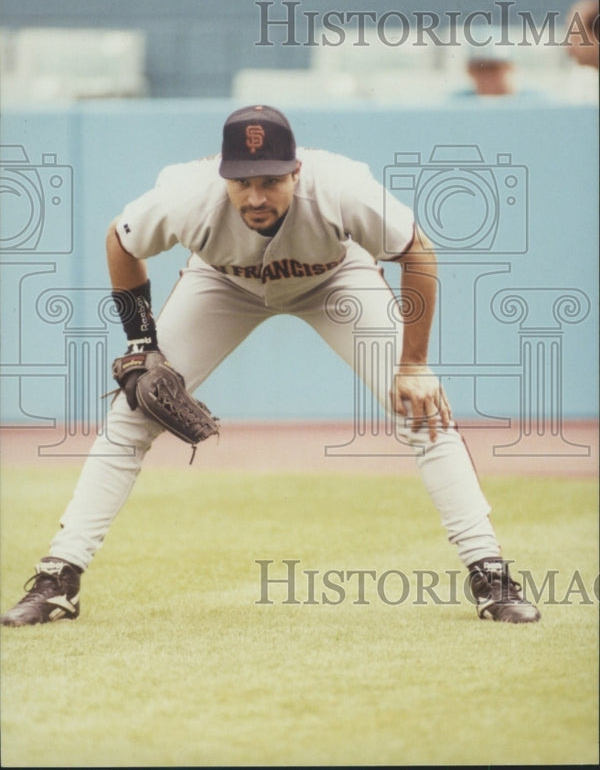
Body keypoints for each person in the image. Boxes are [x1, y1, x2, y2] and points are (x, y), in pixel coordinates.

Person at [1, 105, 540, 626]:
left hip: (335, 279)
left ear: (296, 171)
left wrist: (415, 365)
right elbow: (120, 241)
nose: (255, 196)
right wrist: (142, 343)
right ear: (223, 174)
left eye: (271, 181)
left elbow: (418, 253)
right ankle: (59, 577)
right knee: (130, 416)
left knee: (420, 408)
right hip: (223, 282)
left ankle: (490, 574)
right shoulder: (186, 196)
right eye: (241, 181)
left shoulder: (341, 188)